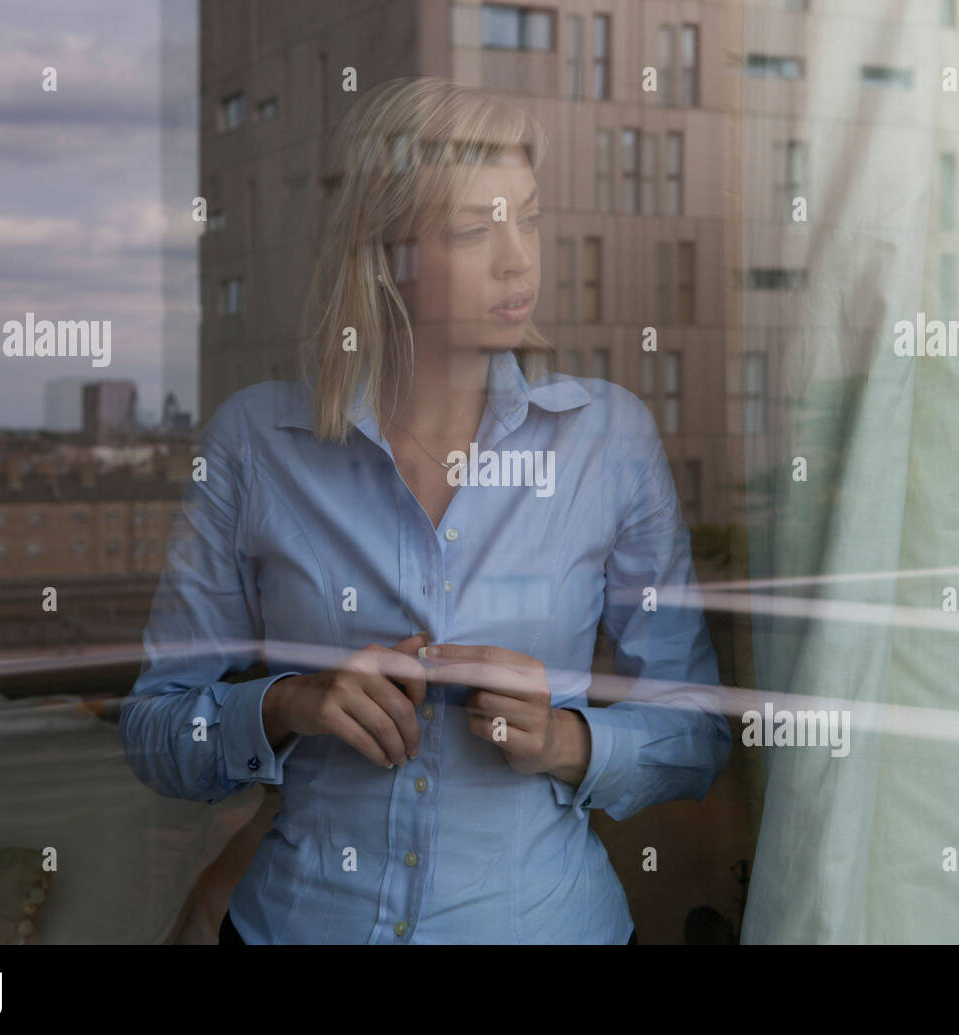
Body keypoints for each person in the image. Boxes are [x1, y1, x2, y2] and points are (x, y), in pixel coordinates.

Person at [118, 75, 730, 945]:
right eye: (476, 229)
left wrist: (564, 740)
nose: (519, 258)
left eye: (531, 216)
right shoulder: (256, 443)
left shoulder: (610, 441)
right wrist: (287, 704)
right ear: (385, 253)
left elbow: (698, 732)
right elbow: (153, 729)